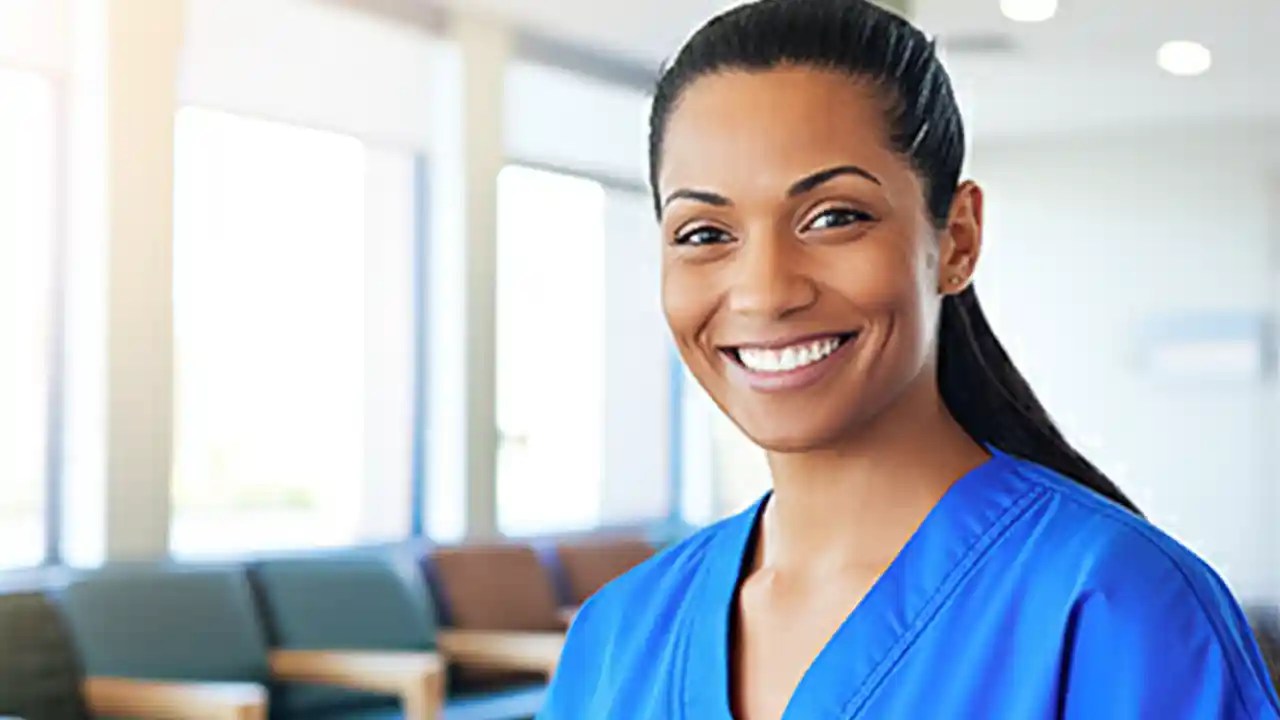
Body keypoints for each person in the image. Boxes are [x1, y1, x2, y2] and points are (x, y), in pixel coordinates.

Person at [540, 0, 1280, 717]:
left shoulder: (1118, 608)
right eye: (704, 233)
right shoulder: (616, 639)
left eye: (835, 217)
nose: (765, 292)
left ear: (956, 240)